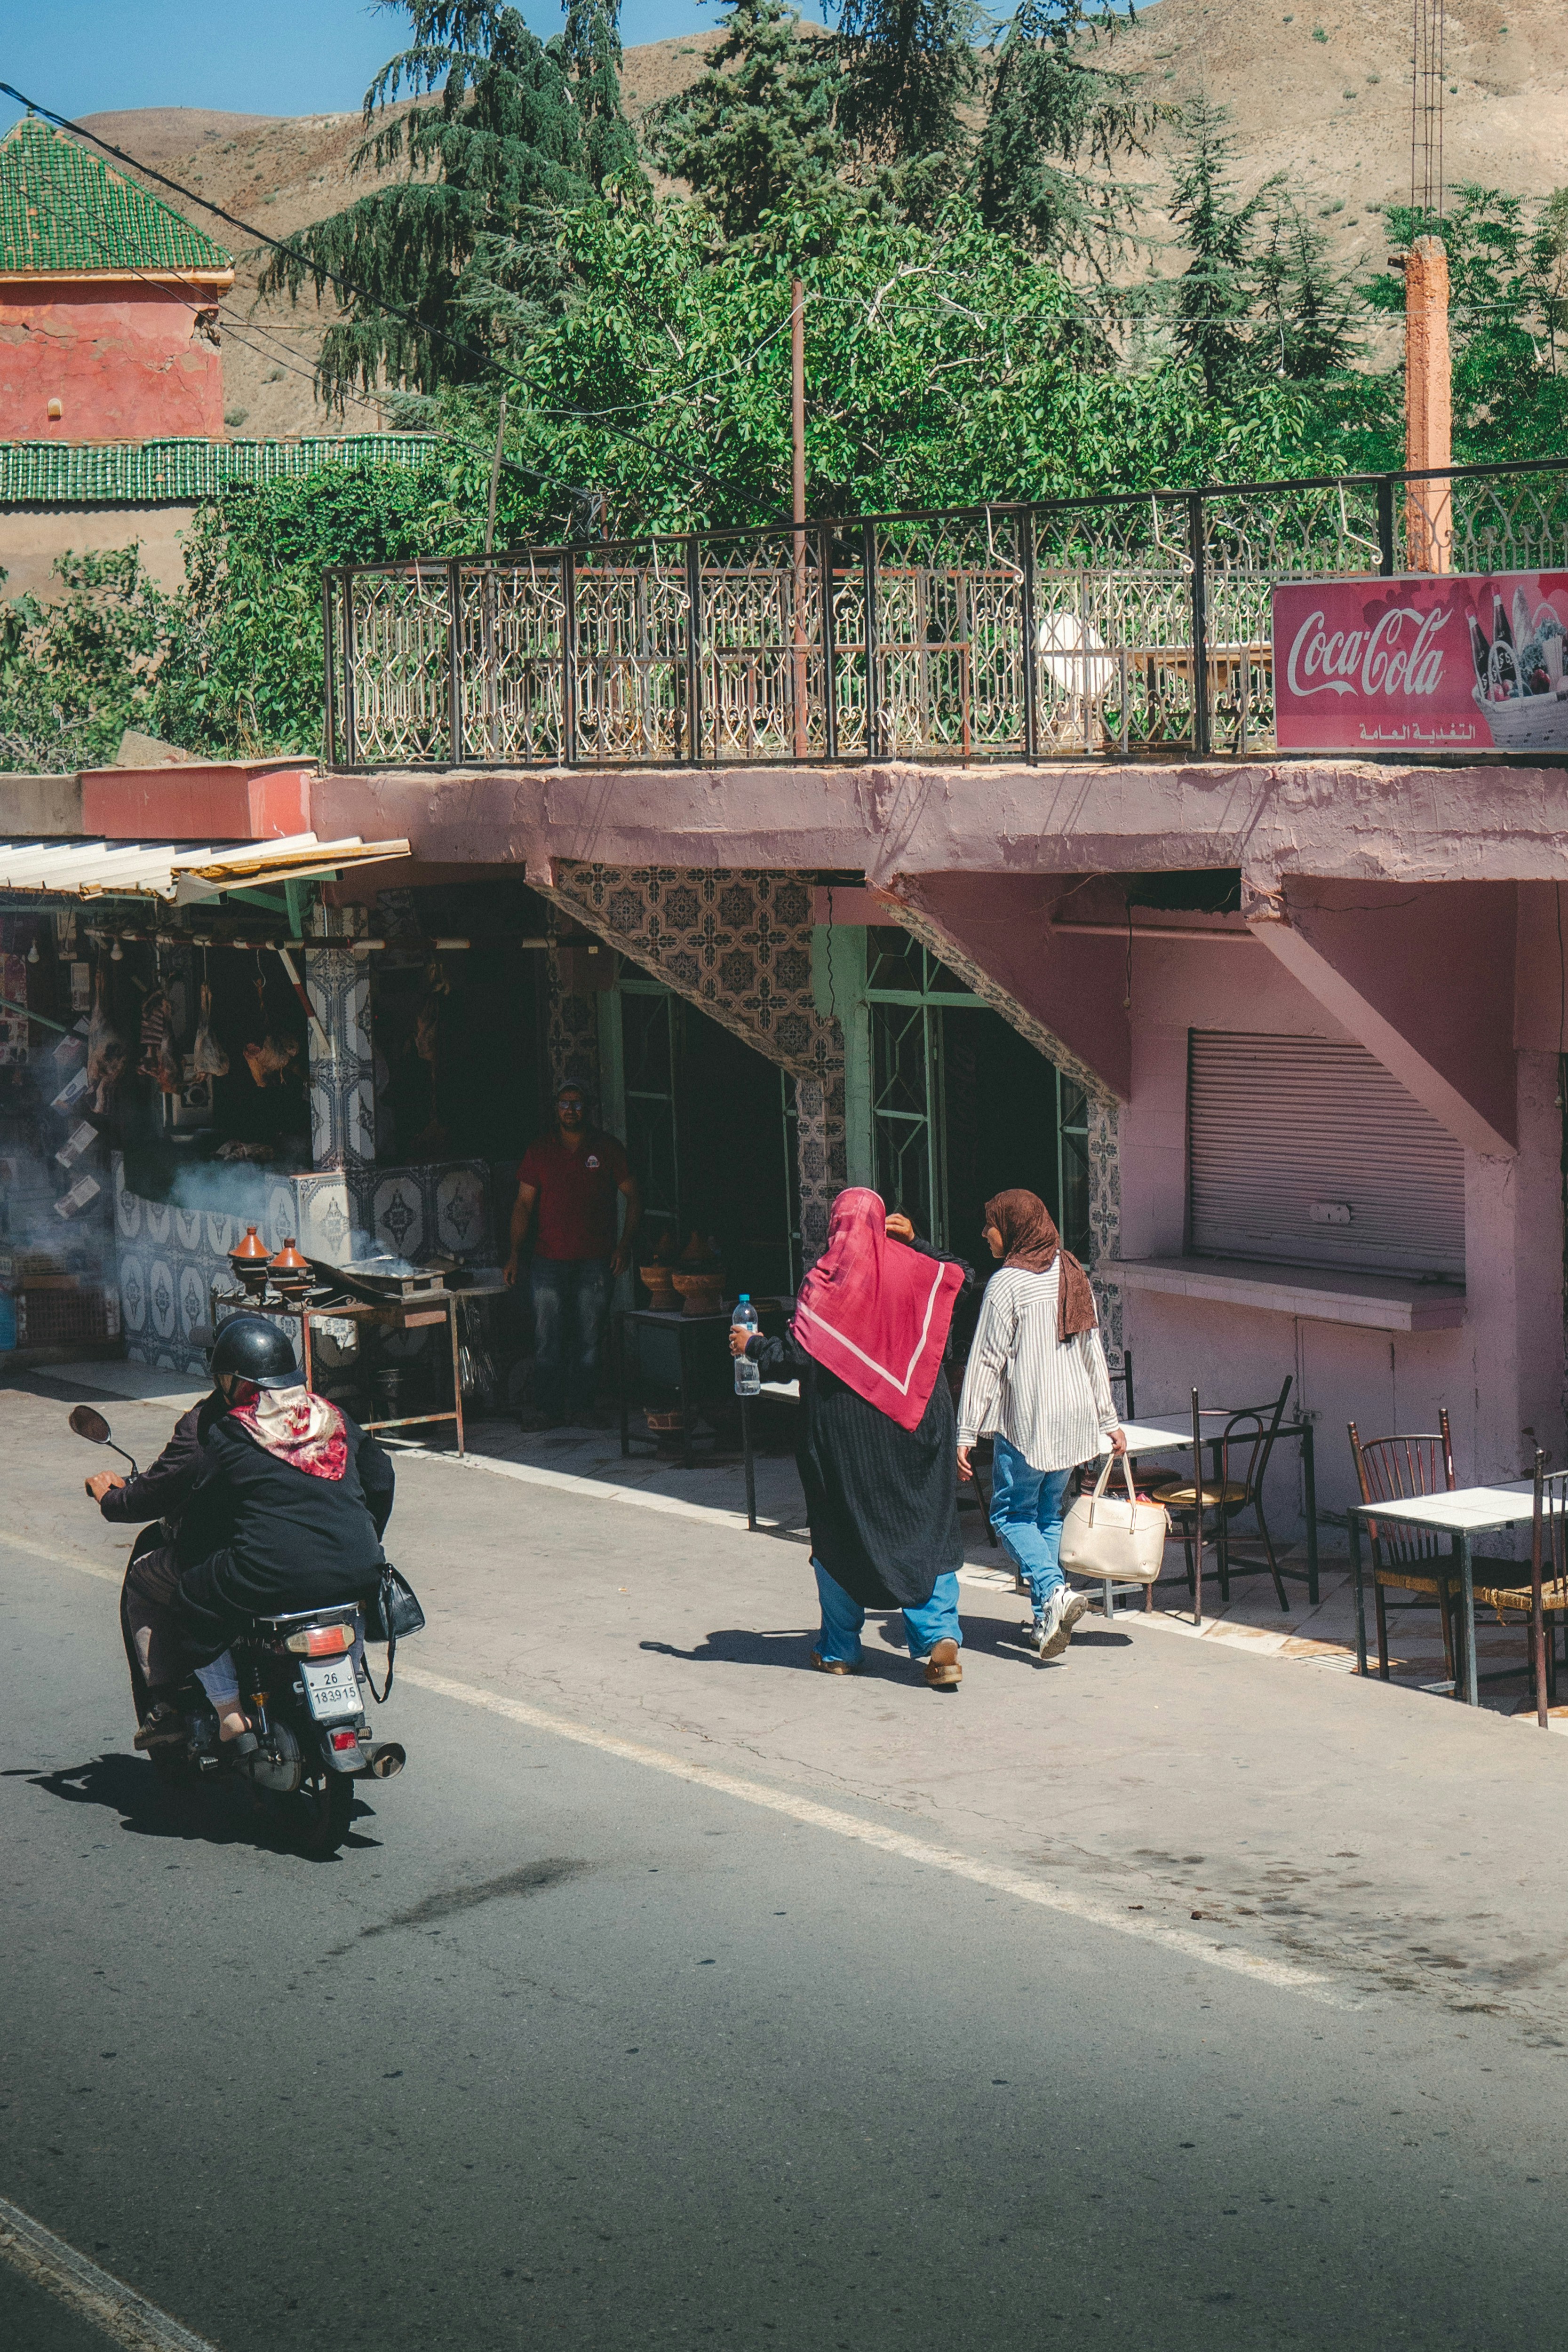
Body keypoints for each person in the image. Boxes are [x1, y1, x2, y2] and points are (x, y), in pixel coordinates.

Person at [731, 1188, 974, 1688]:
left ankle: (840, 1647)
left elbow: (798, 1356)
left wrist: (753, 1344)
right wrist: (921, 1243)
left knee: (841, 1528)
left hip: (846, 1436)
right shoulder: (917, 1271)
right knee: (924, 1523)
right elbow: (964, 1276)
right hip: (917, 1424)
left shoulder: (827, 1279)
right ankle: (940, 1640)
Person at [124, 1315, 395, 1751]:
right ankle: (352, 1690)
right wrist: (365, 1538)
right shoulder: (334, 1416)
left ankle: (228, 1711)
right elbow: (381, 1480)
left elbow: (196, 1503)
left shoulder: (228, 1427)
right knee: (353, 1602)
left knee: (191, 1589)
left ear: (233, 1379)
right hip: (359, 1563)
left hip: (268, 1573)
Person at [955, 1190, 1126, 1664]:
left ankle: (1054, 1589)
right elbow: (1095, 1350)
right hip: (1073, 1420)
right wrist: (1108, 1419)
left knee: (1009, 1515)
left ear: (1013, 1228)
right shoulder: (1072, 1271)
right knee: (1047, 1516)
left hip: (1030, 1419)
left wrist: (966, 1430)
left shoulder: (1007, 1283)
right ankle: (1044, 1618)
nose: (985, 1233)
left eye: (991, 1223)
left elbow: (986, 1361)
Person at [504, 1082, 641, 1431]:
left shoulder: (607, 1149)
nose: (571, 1110)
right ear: (556, 1109)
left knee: (589, 1335)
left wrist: (624, 1246)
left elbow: (634, 1197)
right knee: (547, 1336)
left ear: (588, 1108)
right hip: (547, 1261)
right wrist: (515, 1254)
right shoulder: (540, 1151)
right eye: (565, 1104)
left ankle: (583, 1407)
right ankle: (548, 1410)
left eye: (577, 1104)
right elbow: (523, 1204)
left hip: (596, 1261)